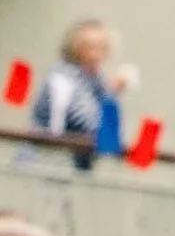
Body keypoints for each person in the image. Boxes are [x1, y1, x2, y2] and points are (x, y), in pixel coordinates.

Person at [30, 18, 135, 171]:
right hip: (45, 164)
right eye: (90, 47)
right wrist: (112, 92)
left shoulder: (95, 78)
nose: (97, 54)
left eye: (103, 47)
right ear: (75, 48)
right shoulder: (64, 79)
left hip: (71, 167)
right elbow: (92, 126)